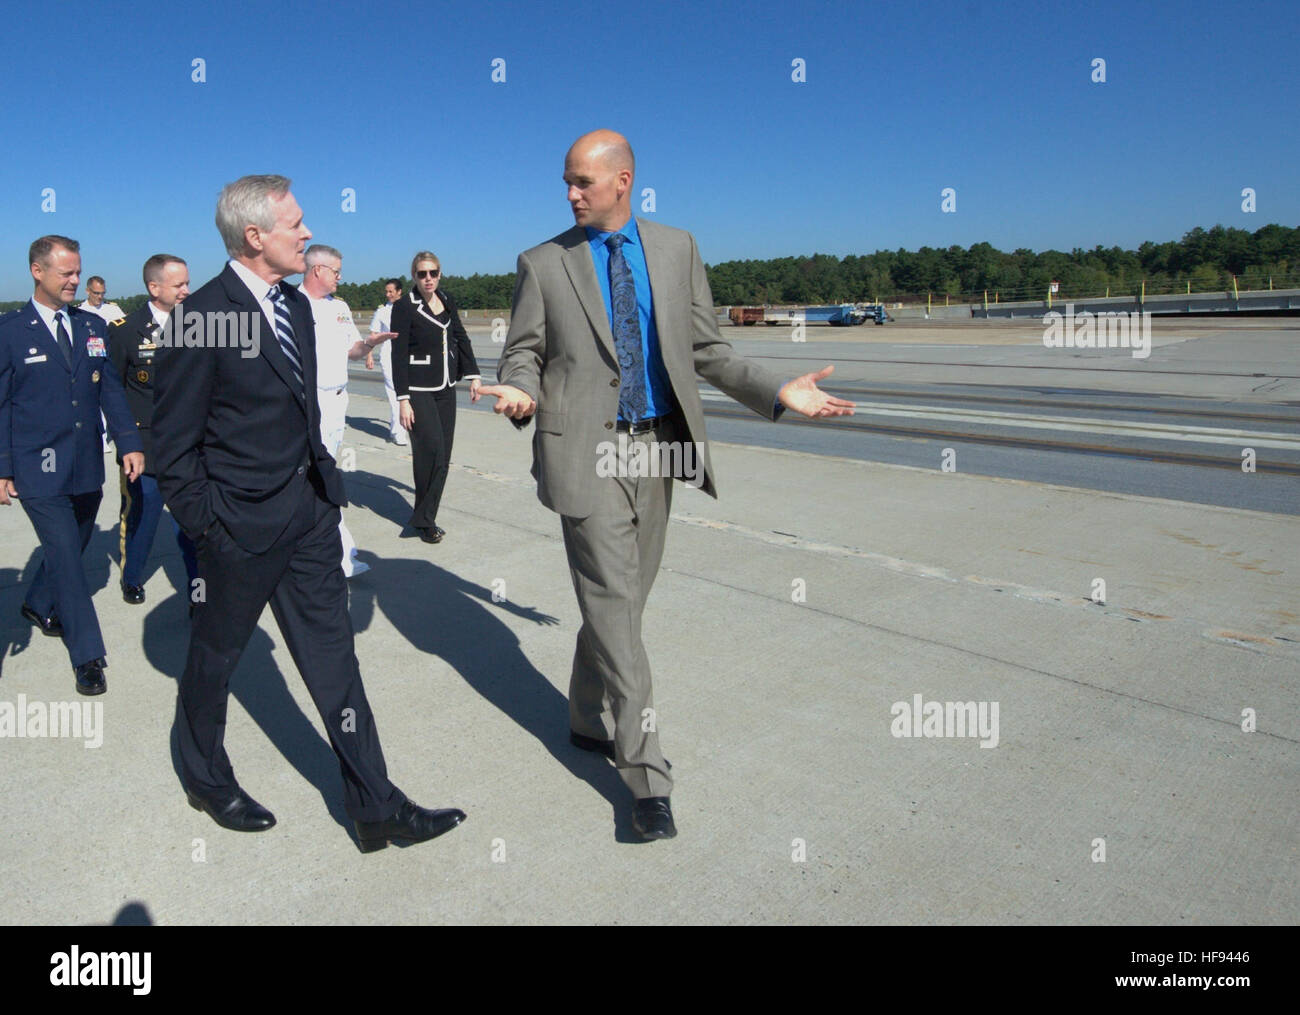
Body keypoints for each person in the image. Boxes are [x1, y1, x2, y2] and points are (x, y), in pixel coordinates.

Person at [481, 130, 855, 840]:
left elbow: (708, 350)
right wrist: (519, 393)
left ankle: (585, 715)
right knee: (616, 607)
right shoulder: (543, 262)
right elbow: (524, 352)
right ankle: (646, 776)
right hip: (582, 452)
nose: (570, 194)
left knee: (625, 602)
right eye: (566, 182)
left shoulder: (678, 249)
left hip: (659, 452)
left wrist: (779, 391)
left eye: (583, 182)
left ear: (624, 182)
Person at [152, 175, 464, 849]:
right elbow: (171, 446)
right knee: (216, 659)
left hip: (309, 515)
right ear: (255, 235)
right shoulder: (203, 315)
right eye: (295, 223)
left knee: (335, 664)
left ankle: (375, 805)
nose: (307, 231)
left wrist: (321, 496)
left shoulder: (294, 306)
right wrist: (211, 524)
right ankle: (203, 772)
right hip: (238, 530)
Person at [0, 236, 145, 695]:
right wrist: (3, 466)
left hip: (85, 463)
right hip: (35, 468)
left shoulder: (91, 326)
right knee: (65, 557)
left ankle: (39, 602)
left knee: (78, 539)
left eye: (78, 272)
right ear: (37, 272)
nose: (75, 280)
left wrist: (128, 441)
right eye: (65, 272)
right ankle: (87, 655)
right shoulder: (10, 331)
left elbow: (110, 391)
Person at [108, 254, 199, 606]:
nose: (186, 291)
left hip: (189, 446)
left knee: (191, 524)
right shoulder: (125, 330)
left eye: (187, 283)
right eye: (179, 285)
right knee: (141, 518)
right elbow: (112, 391)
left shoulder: (199, 326)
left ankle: (197, 592)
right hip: (143, 447)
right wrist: (123, 440)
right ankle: (132, 577)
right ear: (154, 287)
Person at [300, 243, 393, 578]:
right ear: (317, 271)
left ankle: (329, 552)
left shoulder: (339, 307)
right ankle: (342, 556)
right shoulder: (292, 305)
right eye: (336, 271)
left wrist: (370, 343)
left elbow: (352, 350)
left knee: (323, 477)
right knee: (321, 480)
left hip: (338, 402)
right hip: (309, 403)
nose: (340, 277)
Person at [390, 251, 480, 543]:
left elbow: (460, 337)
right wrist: (402, 399)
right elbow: (398, 353)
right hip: (417, 389)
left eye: (433, 273)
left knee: (443, 457)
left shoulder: (448, 299)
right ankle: (424, 520)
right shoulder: (405, 306)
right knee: (432, 452)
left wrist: (474, 375)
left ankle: (423, 515)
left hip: (445, 387)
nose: (428, 279)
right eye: (422, 274)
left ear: (440, 273)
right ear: (414, 276)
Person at [367, 279, 405, 445]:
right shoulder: (382, 311)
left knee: (404, 391)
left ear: (399, 291)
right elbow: (373, 335)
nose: (388, 294)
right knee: (395, 392)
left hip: (407, 354)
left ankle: (395, 427)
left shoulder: (408, 308)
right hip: (388, 353)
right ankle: (399, 432)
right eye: (386, 291)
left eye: (391, 291)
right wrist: (369, 355)